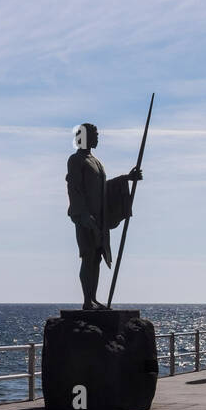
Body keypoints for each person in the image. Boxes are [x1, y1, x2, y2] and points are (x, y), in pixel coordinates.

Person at [66, 123, 142, 309]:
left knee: (97, 258)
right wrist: (84, 215)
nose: (98, 138)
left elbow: (103, 188)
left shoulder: (96, 161)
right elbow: (74, 189)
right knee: (88, 255)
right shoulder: (76, 160)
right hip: (85, 218)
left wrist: (126, 178)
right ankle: (87, 300)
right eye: (95, 135)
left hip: (100, 219)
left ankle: (93, 298)